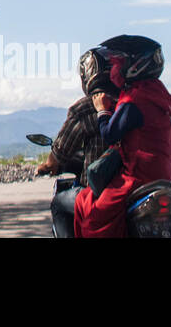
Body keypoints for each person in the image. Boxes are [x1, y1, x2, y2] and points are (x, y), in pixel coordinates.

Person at [74, 35, 171, 238]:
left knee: (88, 209)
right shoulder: (156, 94)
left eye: (119, 63)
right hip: (164, 177)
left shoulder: (134, 98)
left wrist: (101, 110)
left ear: (135, 66)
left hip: (137, 178)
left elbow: (110, 135)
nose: (115, 69)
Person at [38, 47, 116, 237]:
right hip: (136, 183)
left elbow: (60, 151)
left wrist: (48, 165)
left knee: (58, 203)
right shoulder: (130, 100)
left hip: (97, 190)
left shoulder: (85, 108)